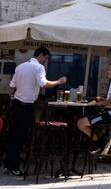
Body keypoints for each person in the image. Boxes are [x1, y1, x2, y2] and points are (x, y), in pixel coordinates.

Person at [5, 47, 67, 177]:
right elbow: (44, 84)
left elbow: (12, 86)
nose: (45, 61)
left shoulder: (20, 66)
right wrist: (59, 81)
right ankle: (14, 166)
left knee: (14, 136)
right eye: (45, 58)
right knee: (21, 136)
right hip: (26, 106)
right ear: (41, 55)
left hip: (16, 104)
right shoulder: (38, 67)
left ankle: (9, 163)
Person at [77, 62, 111, 156]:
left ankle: (102, 144)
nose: (107, 71)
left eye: (109, 69)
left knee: (81, 123)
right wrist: (104, 100)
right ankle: (103, 144)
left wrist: (99, 103)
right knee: (91, 124)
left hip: (110, 115)